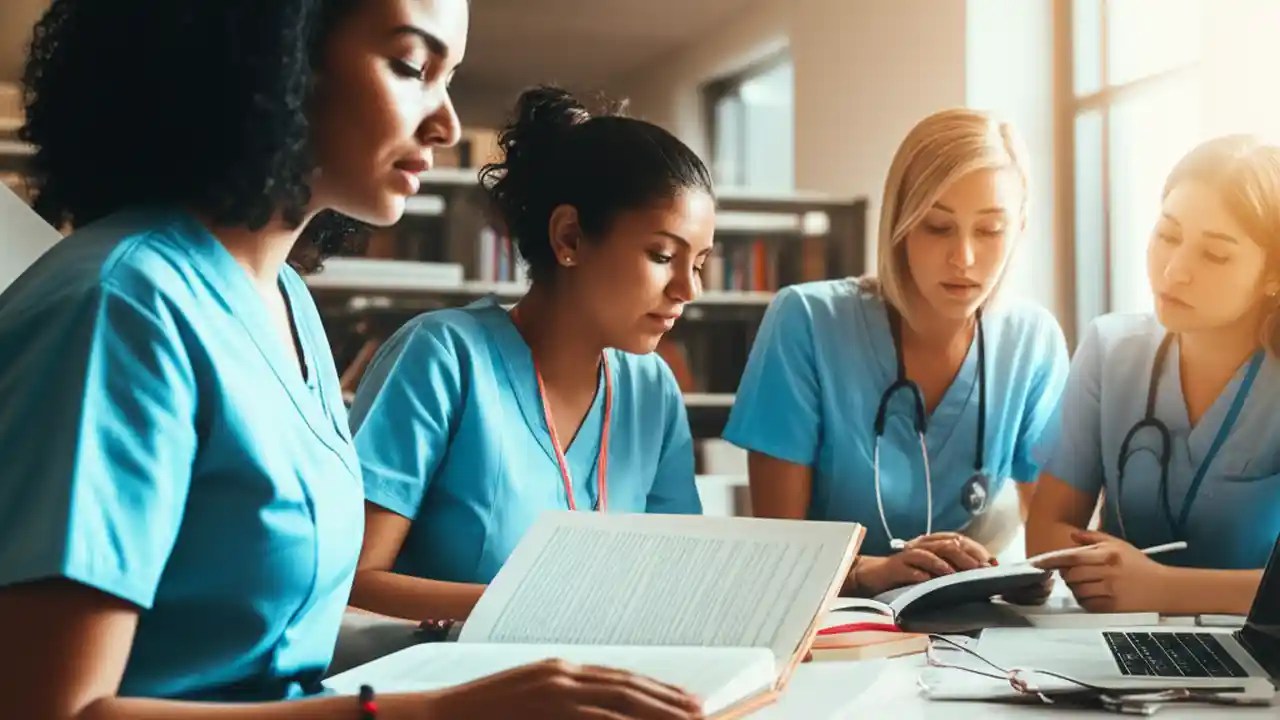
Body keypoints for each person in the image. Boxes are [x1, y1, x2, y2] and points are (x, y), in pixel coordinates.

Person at [0, 1, 703, 718]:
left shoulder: (286, 302)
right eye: (411, 66)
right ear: (273, 56)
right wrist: (436, 712)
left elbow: (274, 642)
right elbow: (50, 710)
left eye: (449, 79)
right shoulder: (120, 309)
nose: (447, 124)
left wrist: (473, 655)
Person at [347, 85, 713, 623]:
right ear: (569, 238)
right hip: (449, 669)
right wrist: (538, 608)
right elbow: (350, 583)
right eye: (662, 255)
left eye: (699, 263)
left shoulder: (651, 388)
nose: (688, 288)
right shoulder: (443, 358)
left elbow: (674, 576)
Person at [723, 109, 1069, 599]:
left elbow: (1058, 539)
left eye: (990, 230)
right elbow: (781, 554)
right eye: (937, 226)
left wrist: (1031, 576)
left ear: (1020, 229)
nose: (964, 258)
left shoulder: (1031, 341)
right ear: (899, 225)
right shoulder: (807, 322)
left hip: (966, 623)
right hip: (831, 621)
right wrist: (876, 571)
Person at [1028, 134, 1280, 616]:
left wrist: (1163, 588)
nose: (1174, 271)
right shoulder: (1110, 351)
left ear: (1274, 274)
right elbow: (1045, 528)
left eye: (1215, 254)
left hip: (1256, 646)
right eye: (1167, 235)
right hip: (1115, 637)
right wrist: (1107, 570)